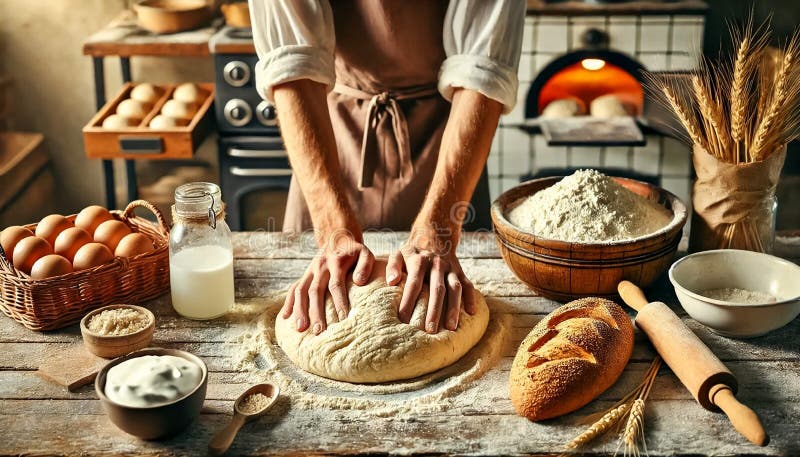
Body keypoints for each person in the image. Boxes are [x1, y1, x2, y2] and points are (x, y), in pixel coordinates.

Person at [250, 0, 524, 335]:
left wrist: (438, 230)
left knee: (447, 310)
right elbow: (292, 65)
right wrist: (332, 231)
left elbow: (483, 68)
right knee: (323, 311)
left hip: (449, 143)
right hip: (331, 141)